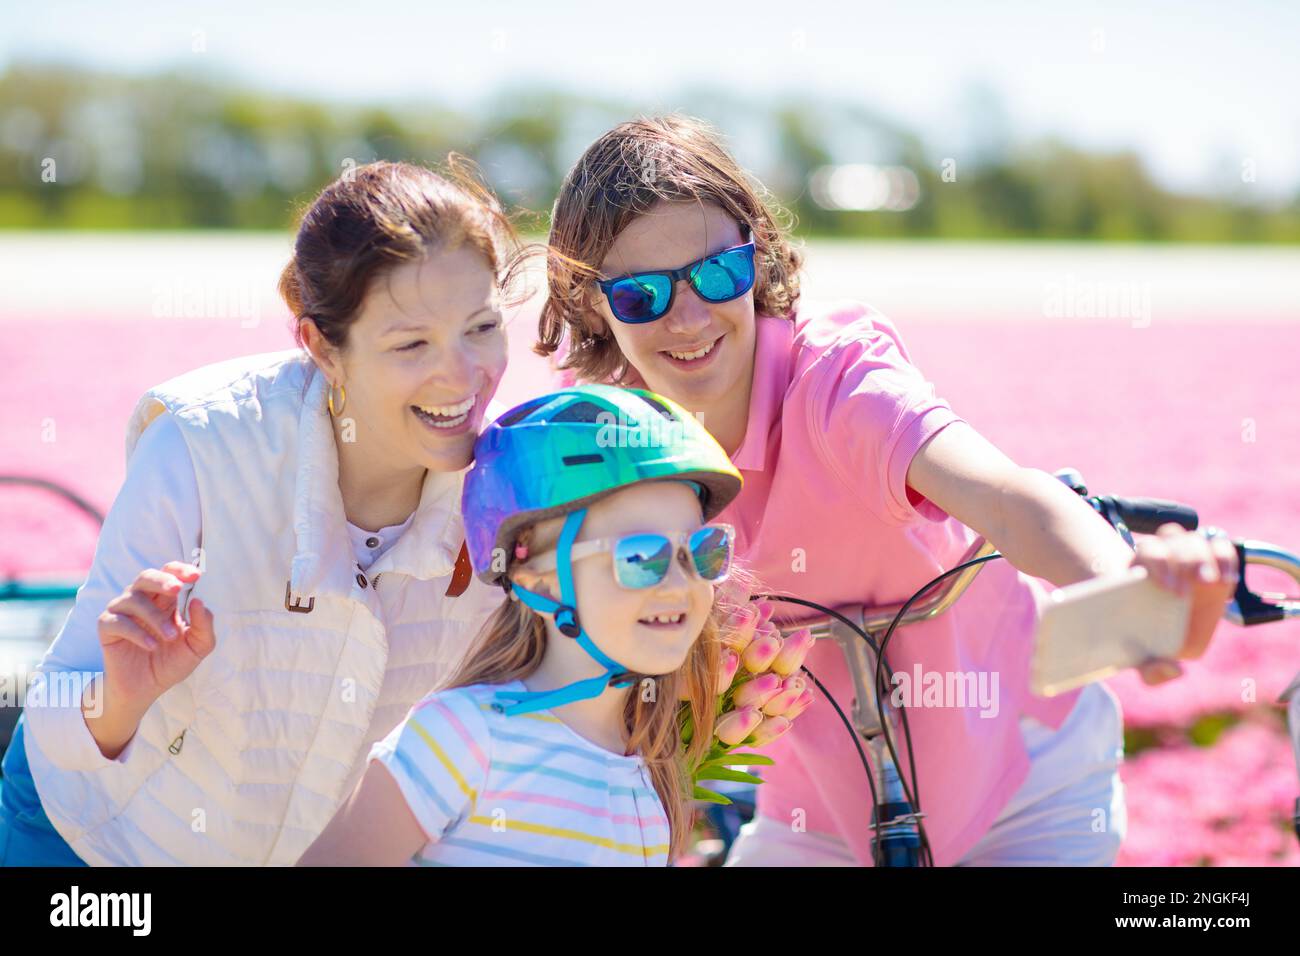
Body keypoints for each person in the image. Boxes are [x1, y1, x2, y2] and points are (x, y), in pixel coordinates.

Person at [535, 115, 1240, 866]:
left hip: (1024, 773)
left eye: (717, 274)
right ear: (592, 305)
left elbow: (1005, 496)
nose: (689, 317)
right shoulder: (619, 441)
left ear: (759, 258)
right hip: (821, 807)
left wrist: (1123, 582)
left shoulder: (839, 383)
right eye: (640, 295)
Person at [0, 159, 521, 865]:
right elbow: (58, 710)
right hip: (93, 837)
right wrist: (120, 697)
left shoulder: (513, 490)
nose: (463, 375)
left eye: (481, 327)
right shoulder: (203, 440)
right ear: (320, 347)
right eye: (411, 344)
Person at [298, 384, 747, 865]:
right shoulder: (463, 736)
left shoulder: (645, 771)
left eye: (703, 551)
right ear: (539, 580)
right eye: (640, 557)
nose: (682, 584)